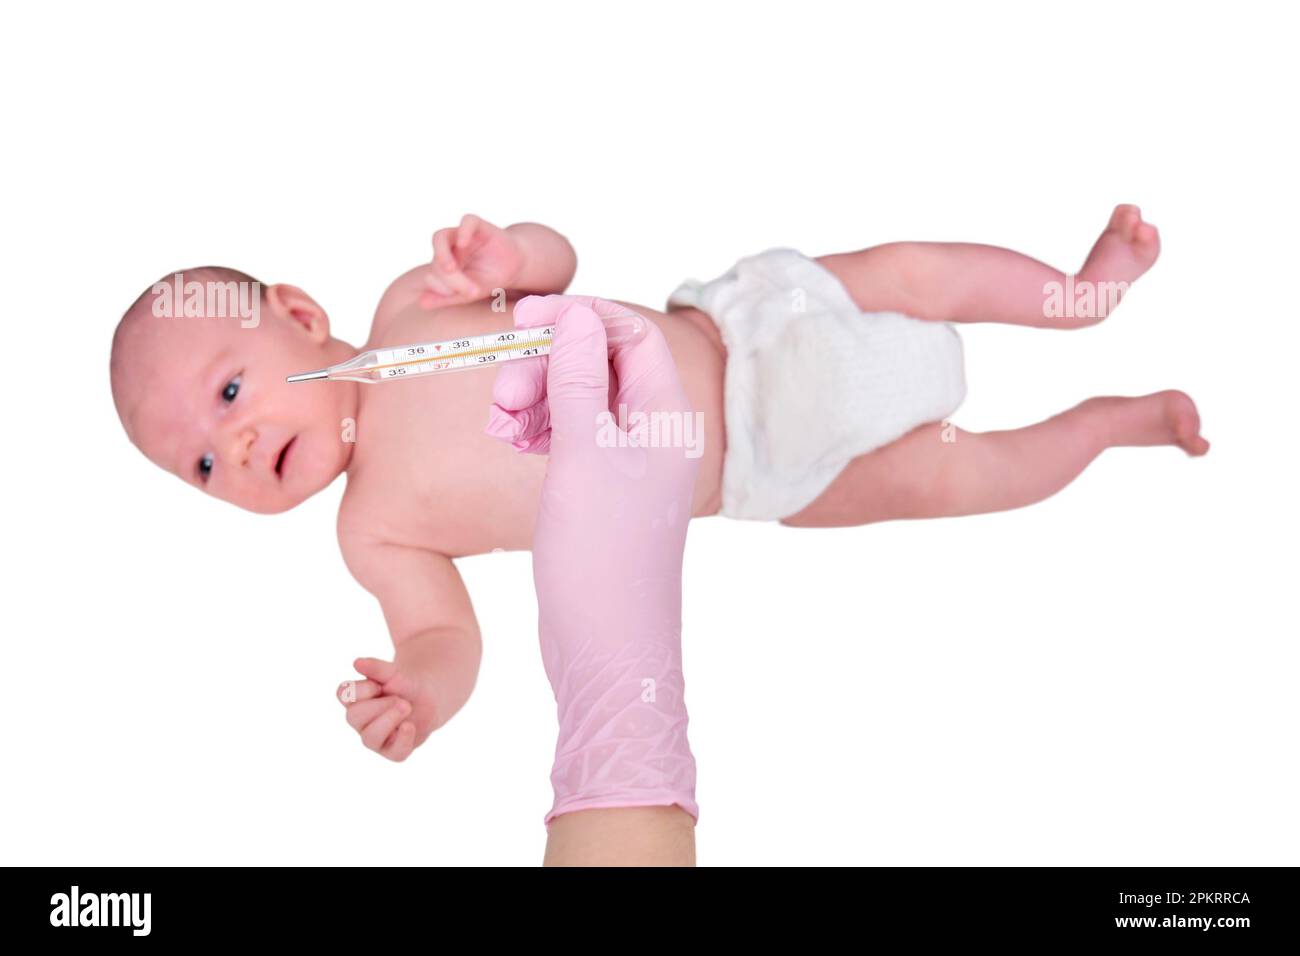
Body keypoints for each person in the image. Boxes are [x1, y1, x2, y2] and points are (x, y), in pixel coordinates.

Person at [491, 295, 701, 866]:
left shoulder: (405, 300)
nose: (235, 447)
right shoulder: (369, 528)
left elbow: (543, 264)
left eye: (231, 390)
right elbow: (438, 631)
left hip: (725, 327)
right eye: (212, 468)